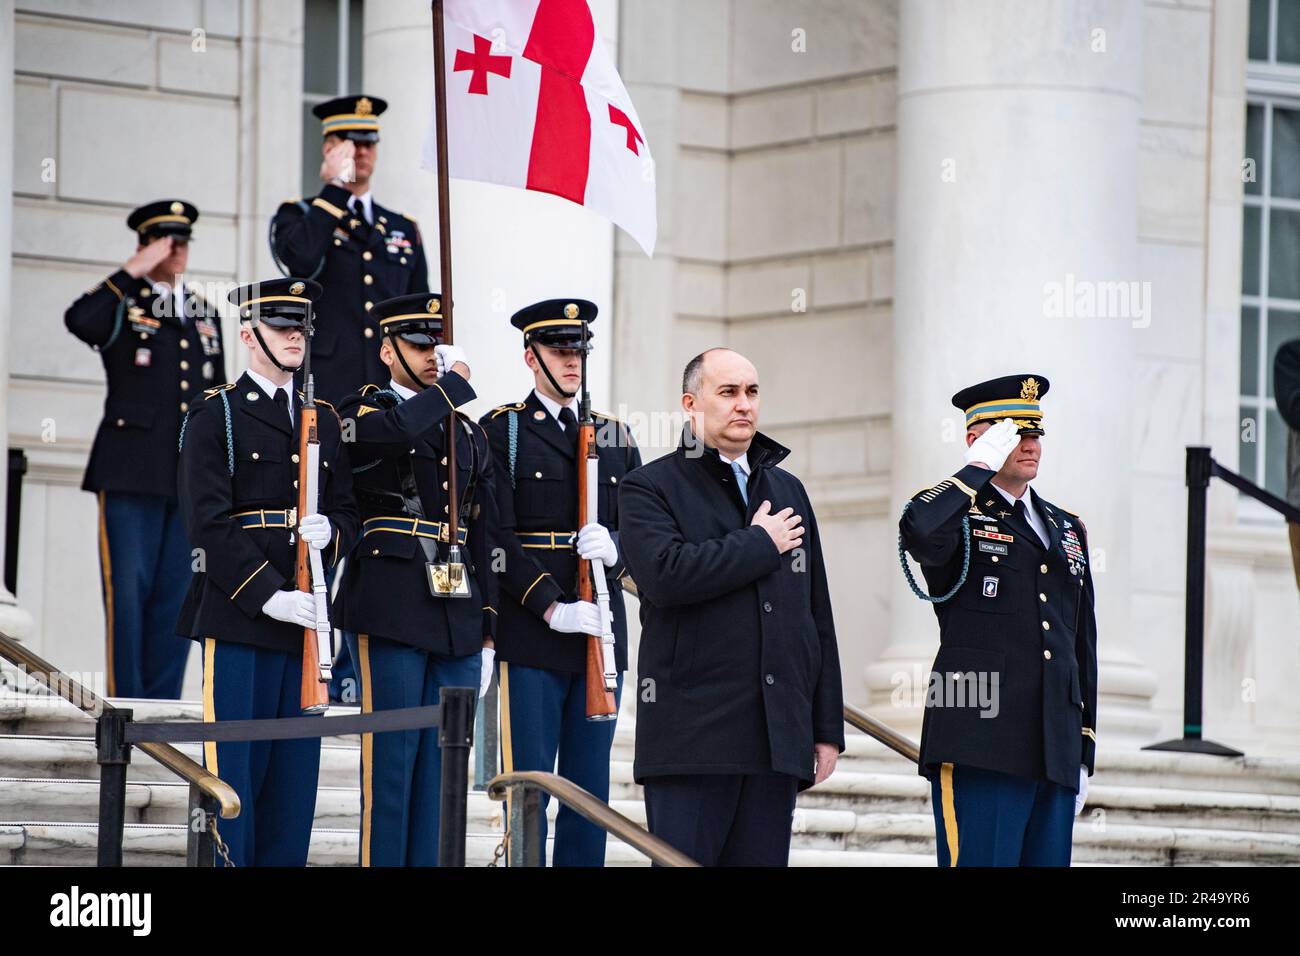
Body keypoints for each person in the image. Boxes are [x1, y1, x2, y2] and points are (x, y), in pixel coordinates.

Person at [617, 347, 844, 866]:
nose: (744, 405)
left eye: (752, 392)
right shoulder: (649, 486)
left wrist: (826, 727)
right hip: (693, 741)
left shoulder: (788, 489)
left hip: (775, 742)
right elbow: (665, 577)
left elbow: (816, 612)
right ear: (690, 404)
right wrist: (760, 543)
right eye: (728, 392)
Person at [177, 277, 358, 866]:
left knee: (293, 790)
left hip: (306, 622)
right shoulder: (218, 414)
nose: (295, 337)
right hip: (239, 620)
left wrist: (333, 532)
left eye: (300, 326)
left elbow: (351, 510)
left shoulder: (323, 420)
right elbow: (207, 524)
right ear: (249, 335)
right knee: (234, 782)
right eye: (282, 326)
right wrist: (268, 595)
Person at [898, 374, 1098, 867]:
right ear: (977, 438)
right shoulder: (955, 511)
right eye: (1015, 432)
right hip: (980, 740)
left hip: (1053, 746)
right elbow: (919, 533)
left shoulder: (1065, 526)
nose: (1031, 444)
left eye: (1036, 433)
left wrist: (1083, 747)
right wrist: (976, 469)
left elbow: (1081, 642)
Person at [333, 293, 497, 867]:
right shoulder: (361, 412)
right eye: (419, 344)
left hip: (456, 611)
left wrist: (488, 628)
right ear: (387, 351)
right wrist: (451, 388)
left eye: (438, 344)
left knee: (444, 769)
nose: (433, 355)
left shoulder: (467, 432)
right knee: (393, 765)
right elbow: (394, 434)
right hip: (391, 601)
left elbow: (484, 532)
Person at [479, 299, 641, 866]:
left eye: (577, 351)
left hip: (601, 632)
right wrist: (550, 606)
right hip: (533, 632)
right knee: (528, 788)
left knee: (589, 795)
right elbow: (493, 535)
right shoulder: (502, 431)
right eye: (558, 351)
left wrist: (617, 548)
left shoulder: (614, 436)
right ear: (531, 357)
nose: (571, 362)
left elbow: (644, 530)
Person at [64, 199, 225, 699]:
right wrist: (132, 271)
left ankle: (160, 714)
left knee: (175, 599)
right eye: (165, 240)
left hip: (185, 480)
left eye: (182, 241)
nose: (176, 250)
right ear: (145, 244)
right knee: (128, 596)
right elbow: (80, 320)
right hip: (129, 473)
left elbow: (213, 396)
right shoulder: (122, 304)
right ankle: (123, 713)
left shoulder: (204, 313)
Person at [268, 95, 429, 405]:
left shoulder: (402, 227)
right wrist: (334, 187)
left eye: (370, 143)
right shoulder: (300, 214)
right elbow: (301, 259)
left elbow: (417, 307)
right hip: (328, 383)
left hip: (391, 384)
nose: (364, 151)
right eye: (353, 143)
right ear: (330, 149)